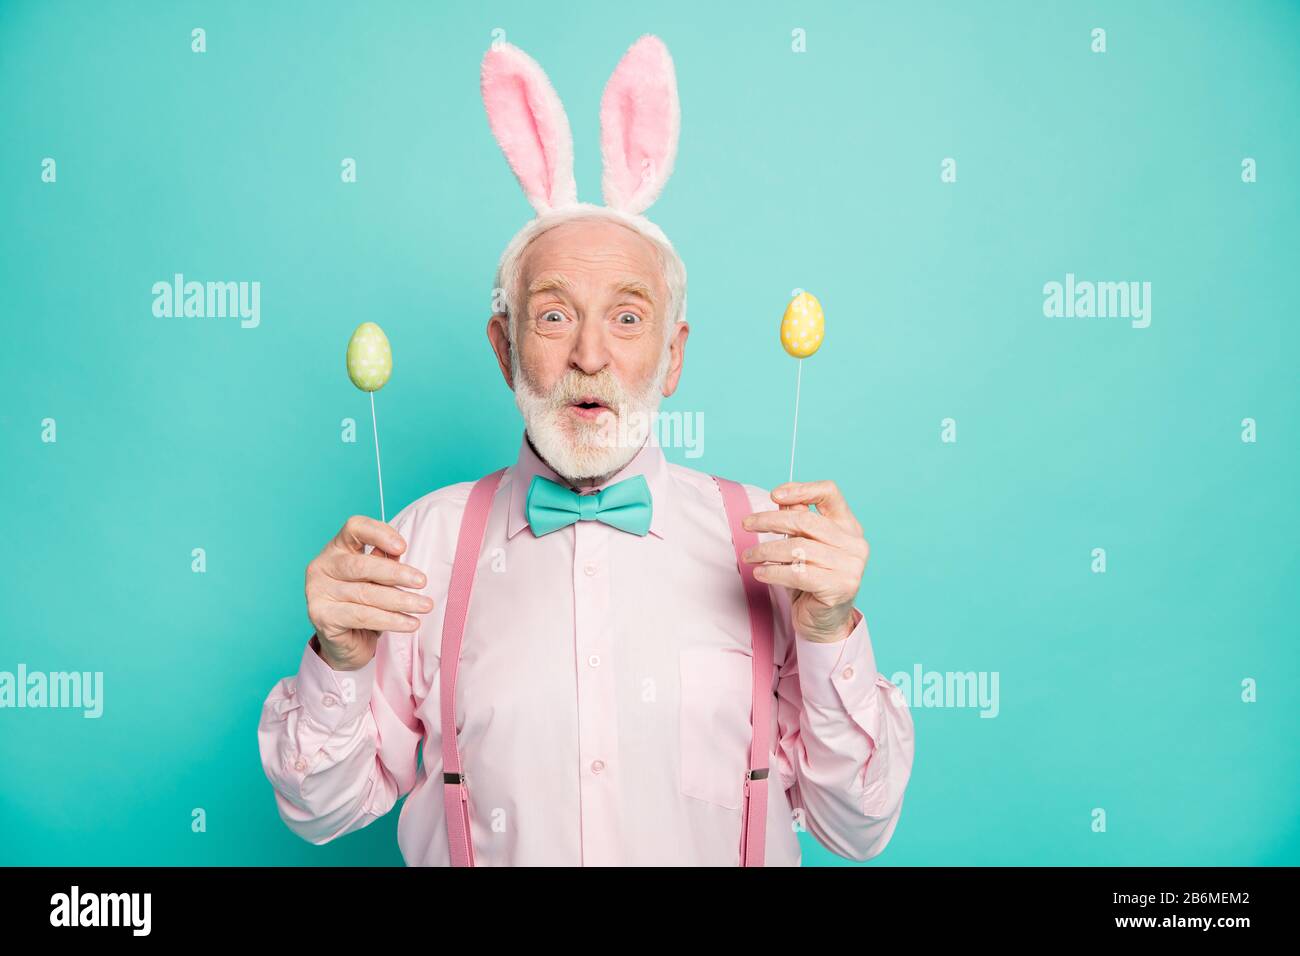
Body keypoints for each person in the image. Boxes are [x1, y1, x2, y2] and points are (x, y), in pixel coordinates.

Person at [257, 34, 915, 866]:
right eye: (555, 315)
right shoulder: (417, 548)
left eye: (629, 318)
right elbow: (319, 811)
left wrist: (830, 631)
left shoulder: (774, 544)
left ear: (674, 356)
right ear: (504, 349)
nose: (591, 356)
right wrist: (339, 661)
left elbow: (860, 827)